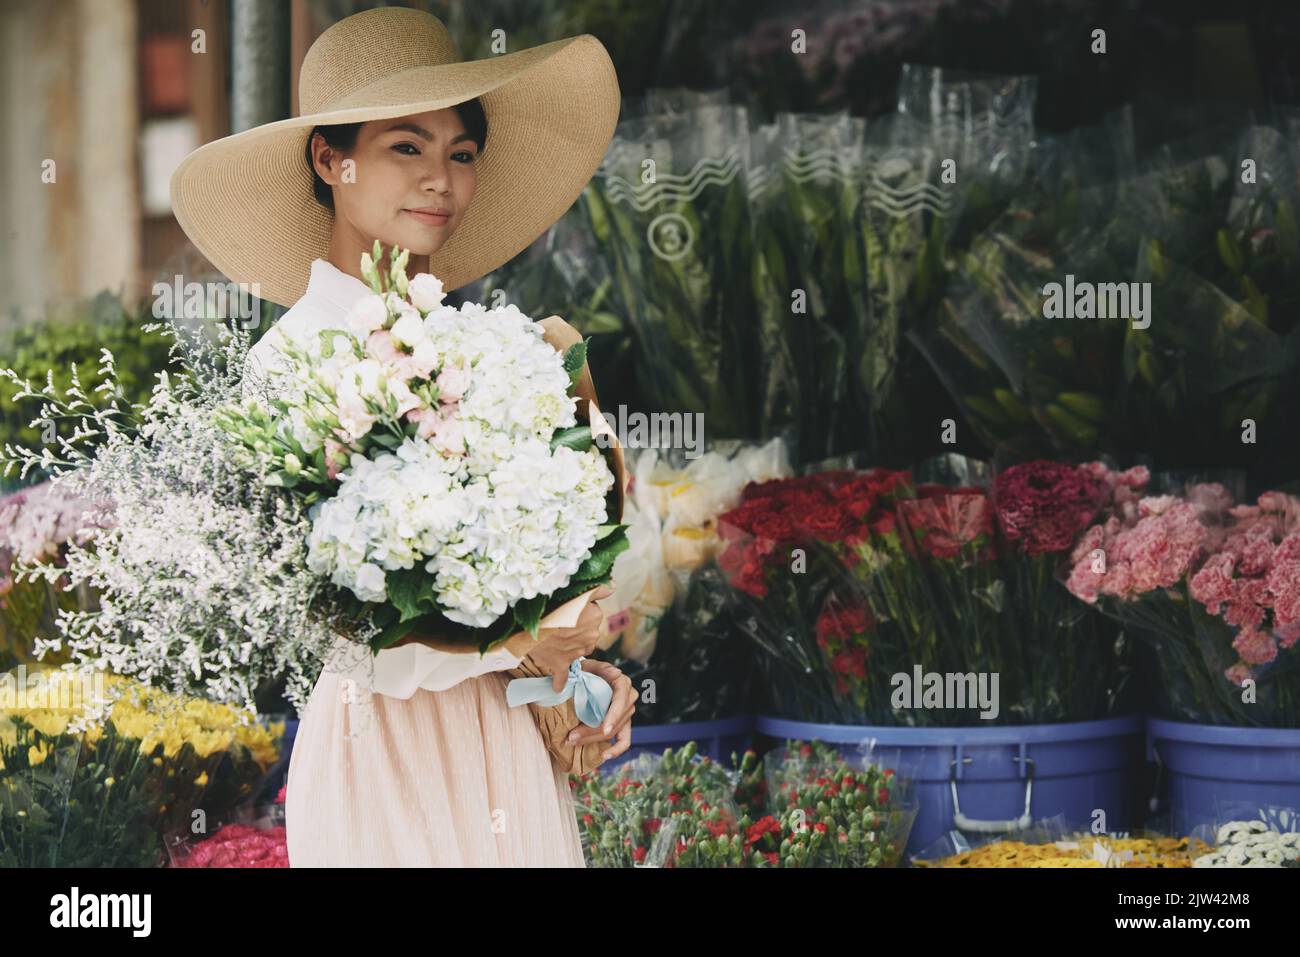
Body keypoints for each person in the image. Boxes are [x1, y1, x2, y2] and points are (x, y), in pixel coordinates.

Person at [169, 7, 632, 866]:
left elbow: (525, 592)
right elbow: (334, 640)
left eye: (461, 153)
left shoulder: (492, 350)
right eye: (407, 148)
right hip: (380, 761)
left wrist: (567, 672)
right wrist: (518, 641)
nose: (442, 182)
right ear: (329, 158)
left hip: (507, 751)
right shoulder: (293, 362)